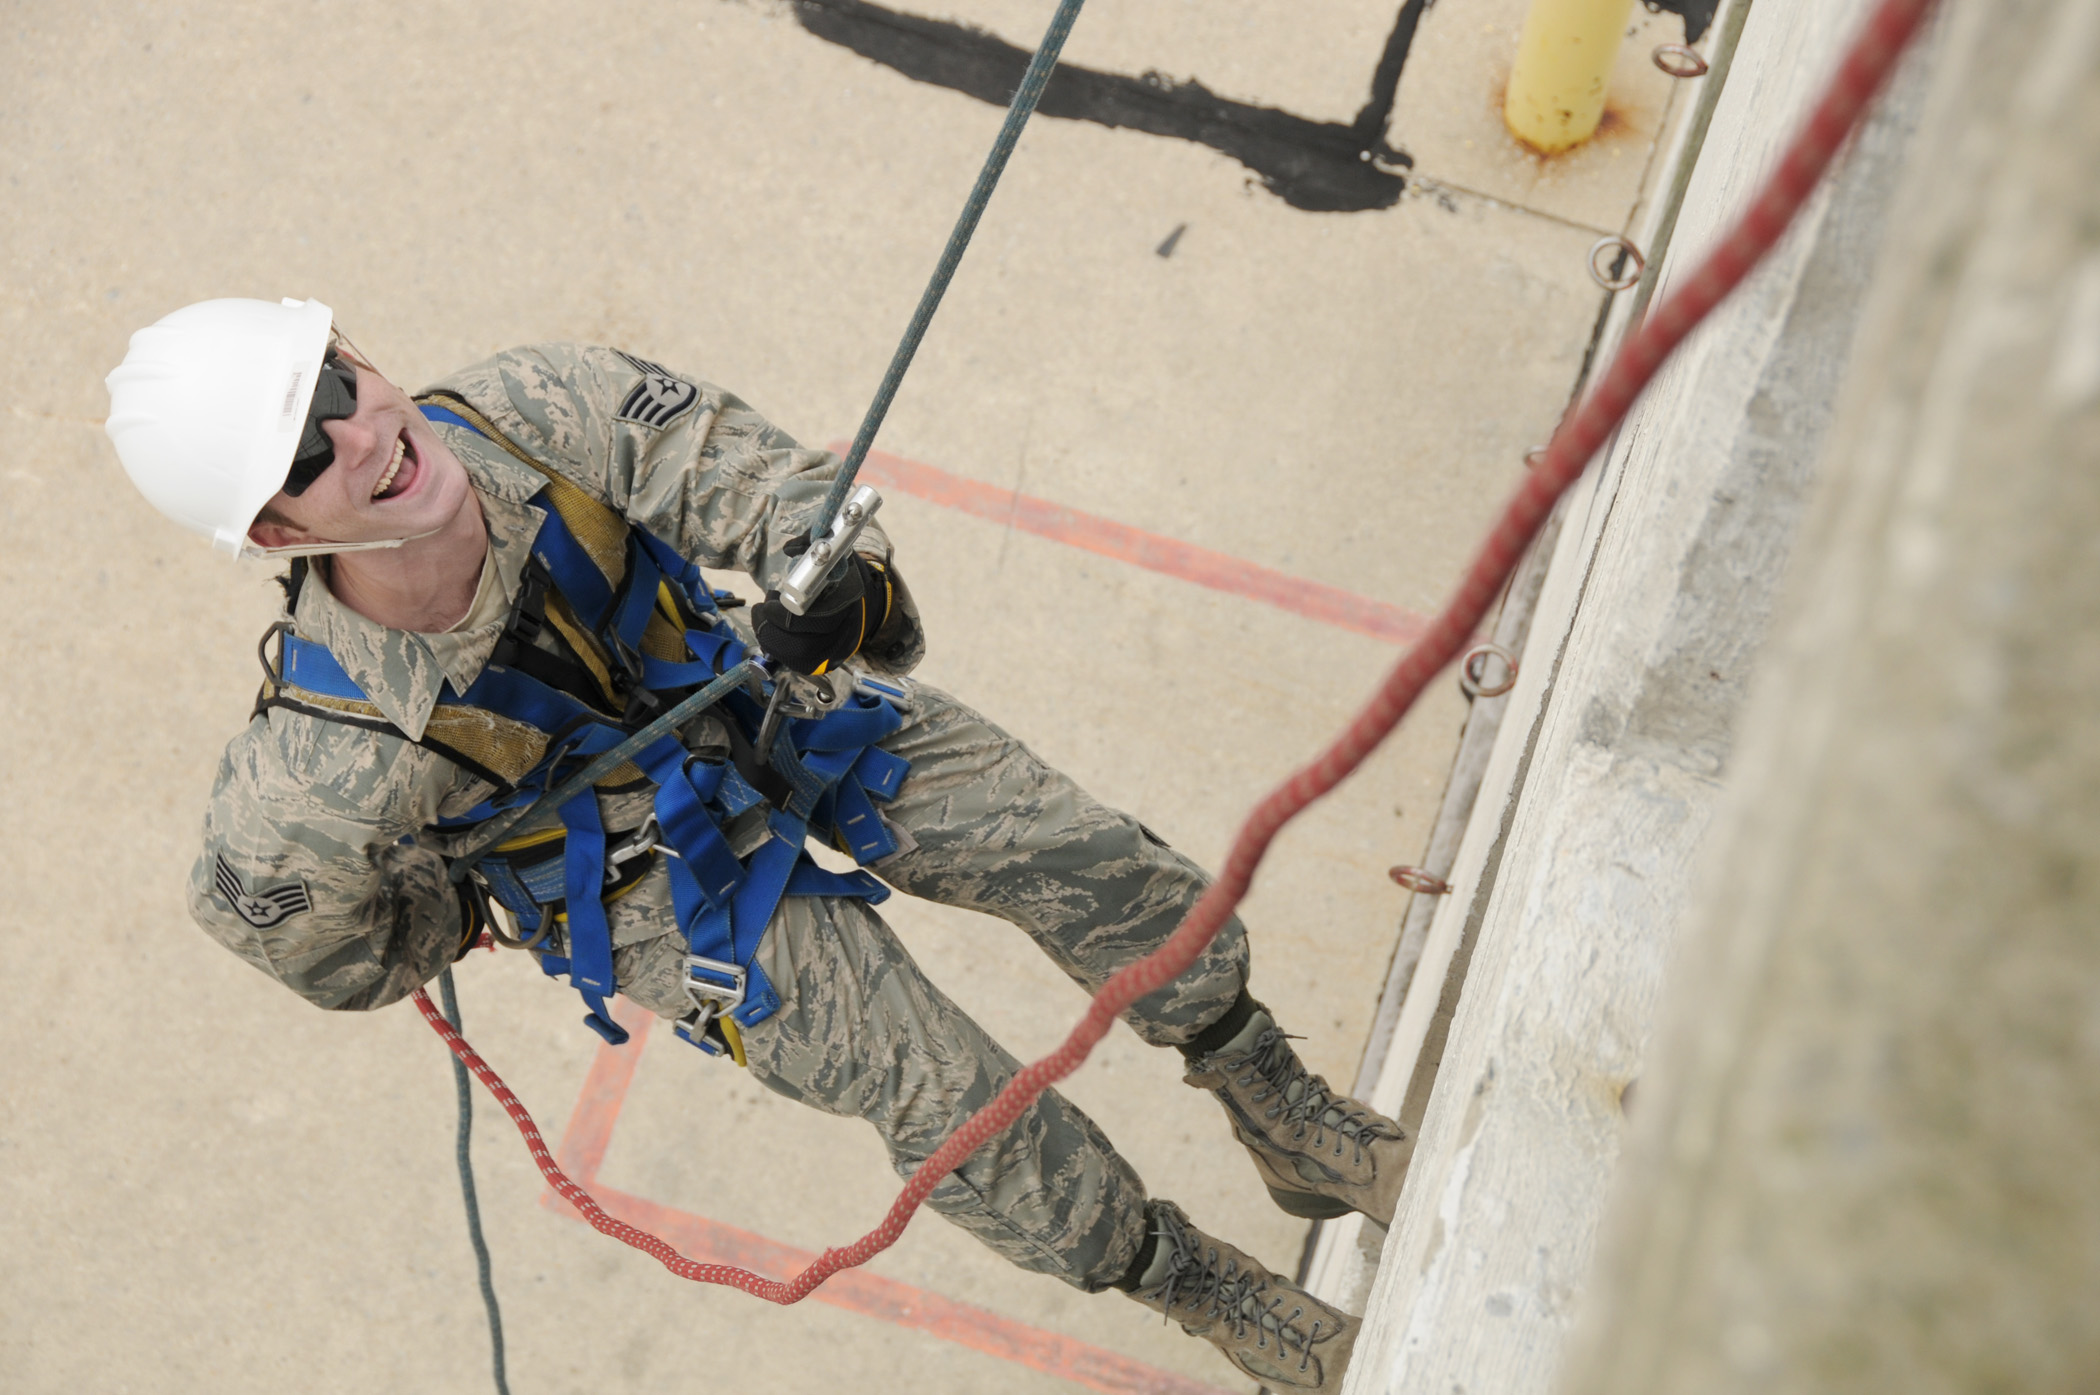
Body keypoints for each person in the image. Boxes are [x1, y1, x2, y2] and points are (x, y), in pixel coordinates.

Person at [104, 297, 1412, 1391]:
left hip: (757, 694)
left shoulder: (545, 408)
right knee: (942, 1094)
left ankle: (1279, 1107)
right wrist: (472, 910)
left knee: (1076, 852)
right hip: (645, 887)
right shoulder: (319, 770)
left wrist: (834, 597)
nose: (359, 432)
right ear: (279, 534)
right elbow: (299, 934)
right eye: (303, 456)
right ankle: (1192, 1283)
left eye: (336, 379)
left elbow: (791, 505)